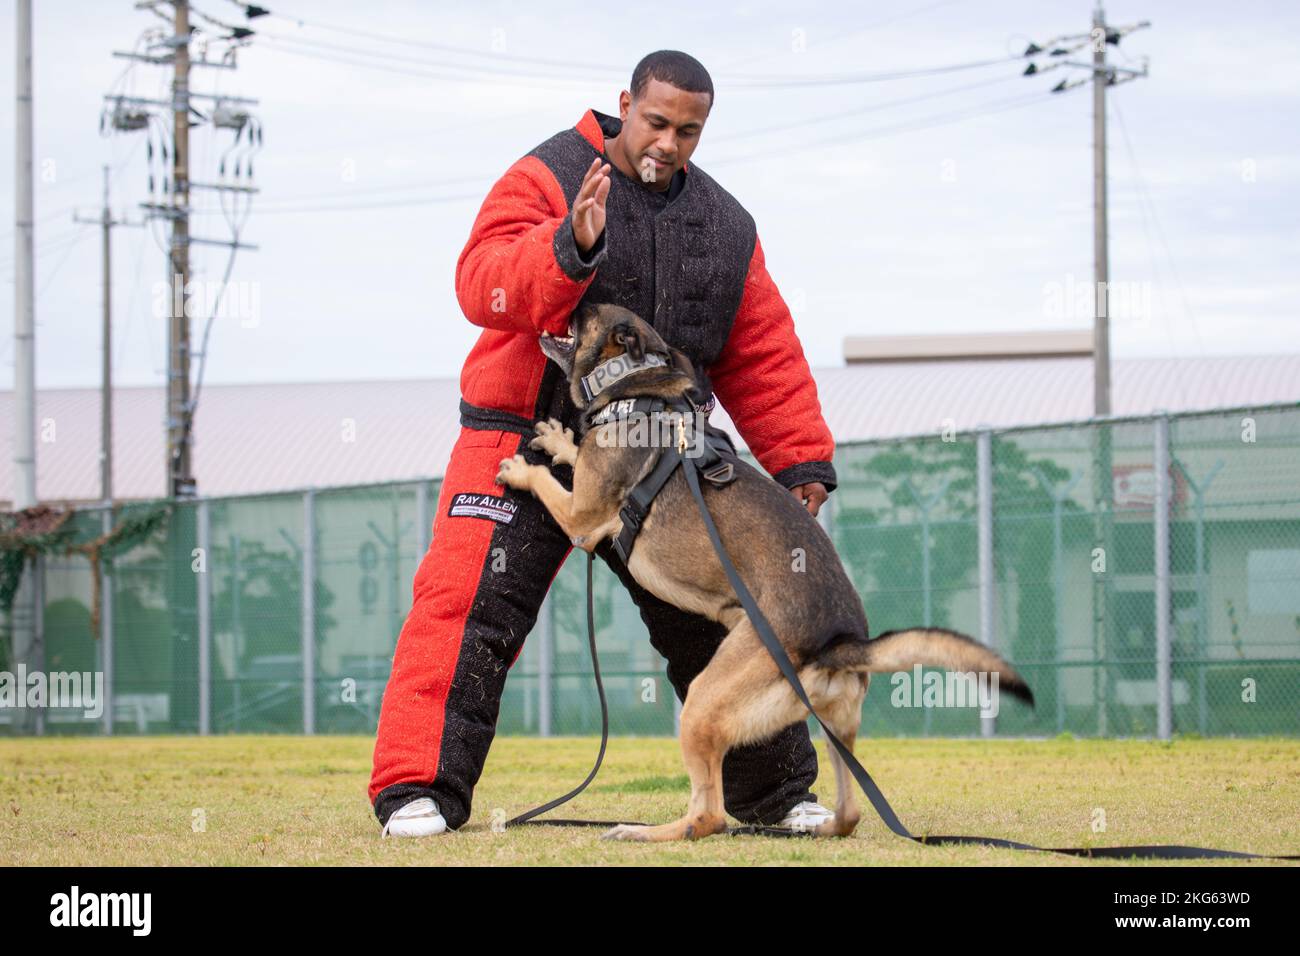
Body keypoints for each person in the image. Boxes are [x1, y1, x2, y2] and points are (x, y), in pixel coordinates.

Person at [369, 50, 839, 837]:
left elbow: (762, 348)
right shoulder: (547, 175)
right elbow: (478, 280)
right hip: (526, 429)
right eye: (657, 122)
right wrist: (567, 247)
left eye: (689, 131)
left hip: (660, 445)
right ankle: (420, 790)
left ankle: (776, 796)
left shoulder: (726, 225)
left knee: (718, 612)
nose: (669, 142)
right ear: (626, 104)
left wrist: (798, 459)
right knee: (467, 605)